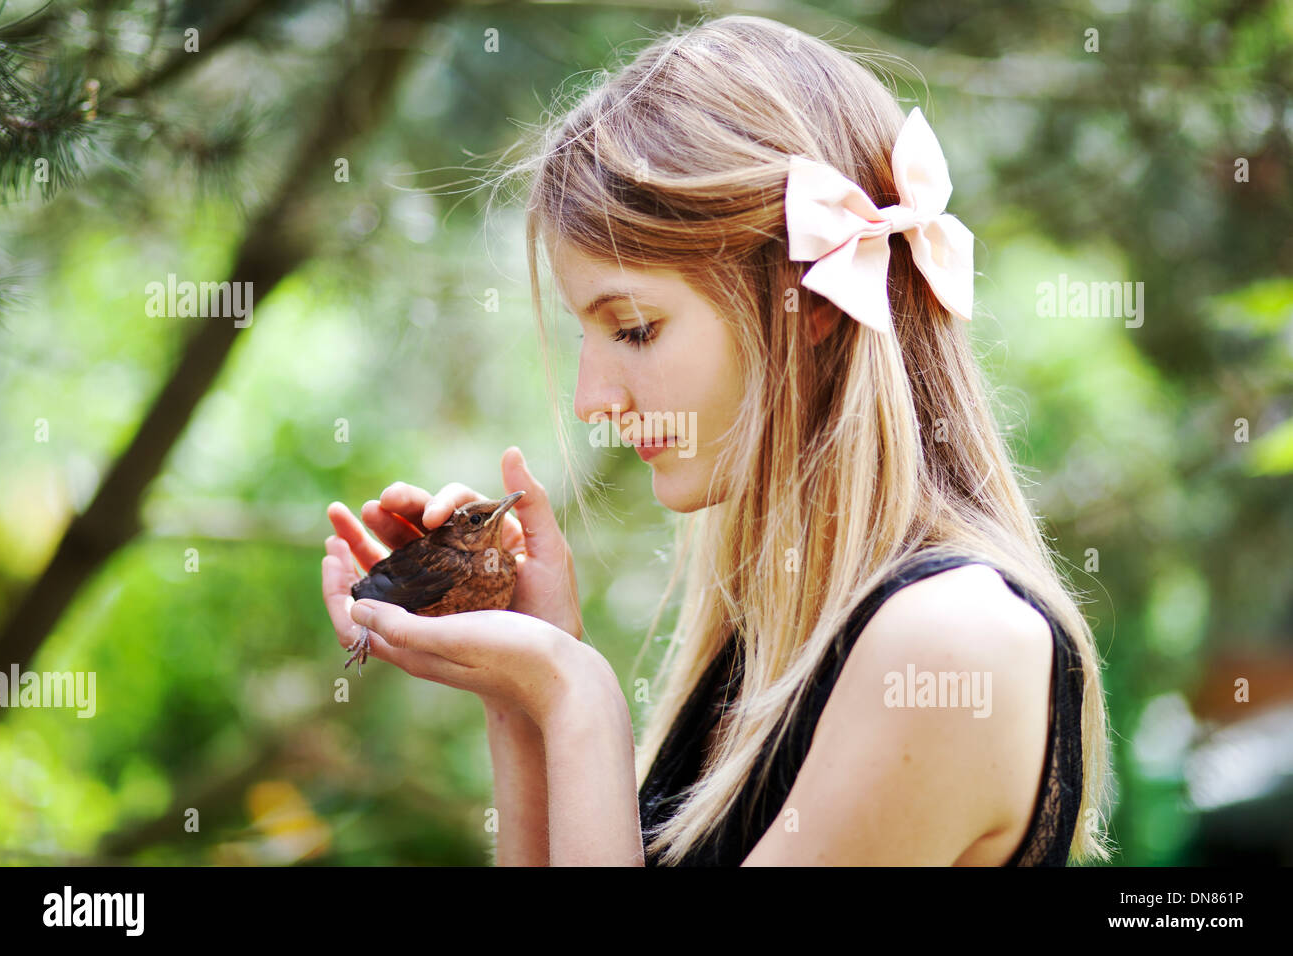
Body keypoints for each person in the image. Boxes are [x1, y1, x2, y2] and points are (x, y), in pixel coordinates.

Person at [321, 13, 1113, 866]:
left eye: (632, 329)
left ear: (805, 302)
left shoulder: (951, 649)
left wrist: (576, 695)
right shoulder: (765, 646)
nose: (592, 399)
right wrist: (523, 689)